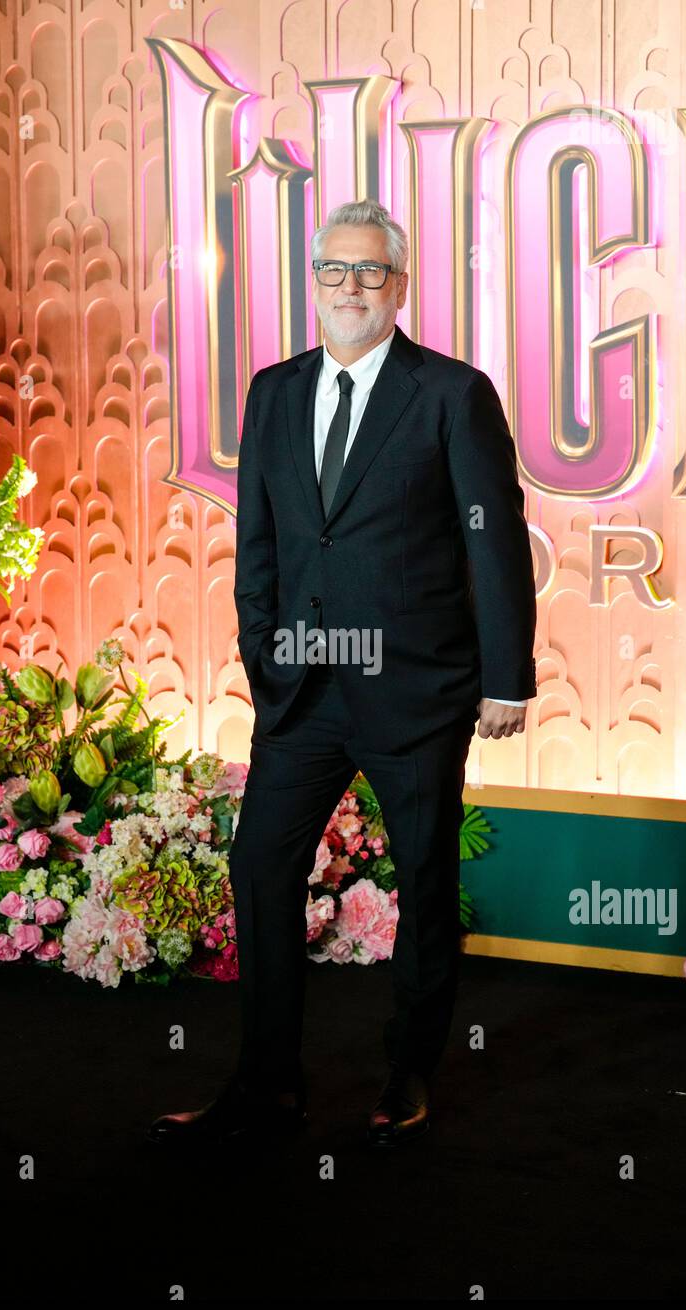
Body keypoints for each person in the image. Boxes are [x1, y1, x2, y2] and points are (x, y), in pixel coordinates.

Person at [148, 197, 537, 1151]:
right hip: (304, 692)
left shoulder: (452, 393)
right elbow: (262, 546)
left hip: (417, 692)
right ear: (312, 281)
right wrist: (264, 655)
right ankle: (268, 1083)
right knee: (260, 866)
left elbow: (496, 543)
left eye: (371, 272)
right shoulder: (274, 391)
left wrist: (507, 677)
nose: (351, 287)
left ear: (398, 287)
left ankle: (407, 1073)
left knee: (425, 882)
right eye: (335, 270)